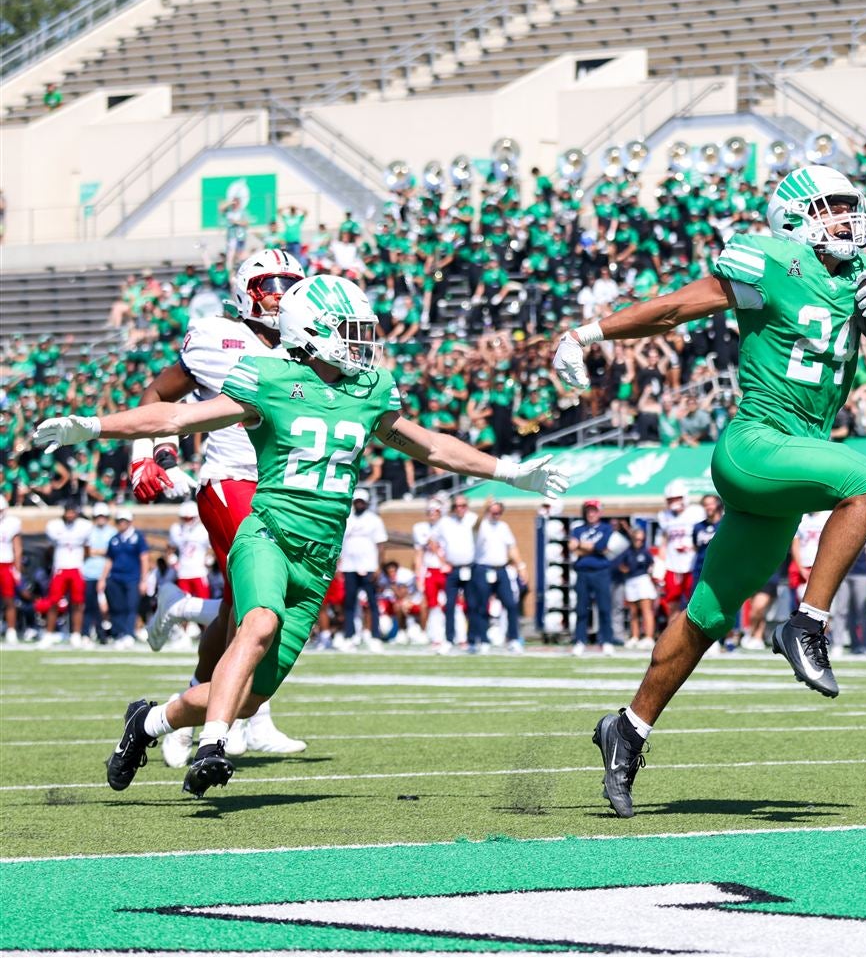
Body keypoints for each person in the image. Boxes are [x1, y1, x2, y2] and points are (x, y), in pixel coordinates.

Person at [34, 274, 568, 798]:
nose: (363, 343)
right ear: (312, 331)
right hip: (266, 533)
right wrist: (94, 425)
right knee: (258, 623)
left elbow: (430, 446)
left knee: (247, 697)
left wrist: (509, 472)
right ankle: (212, 746)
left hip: (317, 559)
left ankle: (147, 722)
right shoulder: (268, 380)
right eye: (351, 331)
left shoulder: (371, 389)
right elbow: (177, 416)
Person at [553, 162, 866, 817]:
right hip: (755, 443)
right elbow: (679, 305)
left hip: (791, 466)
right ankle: (807, 625)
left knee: (707, 613)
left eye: (852, 205)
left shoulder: (862, 279)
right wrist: (589, 333)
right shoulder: (770, 261)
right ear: (795, 216)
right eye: (833, 206)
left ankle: (627, 727)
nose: (850, 218)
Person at [137, 249, 308, 763]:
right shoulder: (217, 336)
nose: (280, 293)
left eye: (289, 283)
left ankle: (184, 701)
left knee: (244, 605)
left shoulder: (309, 340)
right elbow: (159, 393)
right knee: (261, 605)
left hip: (284, 487)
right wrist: (152, 452)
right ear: (246, 290)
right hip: (231, 480)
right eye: (270, 283)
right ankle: (246, 719)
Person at [469, 500, 525, 652]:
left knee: (511, 604)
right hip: (483, 569)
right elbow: (475, 527)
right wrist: (483, 509)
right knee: (482, 606)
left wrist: (521, 566)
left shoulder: (503, 527)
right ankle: (483, 640)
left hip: (501, 570)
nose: (496, 515)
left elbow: (512, 547)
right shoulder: (482, 525)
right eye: (493, 512)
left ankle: (513, 638)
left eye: (498, 512)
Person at [339, 488, 389, 652]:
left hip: (369, 566)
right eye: (357, 501)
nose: (359, 504)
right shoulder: (347, 519)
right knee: (349, 603)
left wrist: (378, 567)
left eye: (362, 501)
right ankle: (350, 635)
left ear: (366, 503)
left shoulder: (374, 520)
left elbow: (381, 545)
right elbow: (340, 543)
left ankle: (375, 636)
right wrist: (339, 564)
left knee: (373, 603)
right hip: (349, 566)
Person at [37, 500, 91, 648]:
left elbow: (87, 550)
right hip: (60, 567)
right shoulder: (54, 526)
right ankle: (48, 634)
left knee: (78, 603)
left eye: (73, 511)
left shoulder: (84, 526)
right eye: (68, 511)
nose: (70, 514)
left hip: (76, 567)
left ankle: (76, 634)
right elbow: (50, 549)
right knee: (53, 602)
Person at [431, 494, 478, 652]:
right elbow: (433, 541)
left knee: (471, 604)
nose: (461, 508)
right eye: (458, 506)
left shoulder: (472, 518)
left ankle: (471, 640)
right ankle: (449, 639)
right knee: (450, 605)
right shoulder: (445, 522)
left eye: (463, 505)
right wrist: (442, 561)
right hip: (452, 568)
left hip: (470, 568)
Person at [569, 500, 616, 656]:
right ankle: (580, 641)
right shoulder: (577, 529)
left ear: (599, 512)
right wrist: (590, 548)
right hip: (582, 572)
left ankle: (607, 641)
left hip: (601, 572)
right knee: (581, 609)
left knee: (604, 608)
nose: (591, 514)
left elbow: (602, 547)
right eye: (588, 511)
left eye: (594, 510)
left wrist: (583, 546)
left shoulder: (606, 528)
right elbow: (572, 548)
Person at [655, 481, 705, 622]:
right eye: (671, 499)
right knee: (672, 603)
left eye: (677, 498)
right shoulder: (664, 516)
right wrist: (659, 566)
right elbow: (663, 542)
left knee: (695, 601)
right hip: (673, 564)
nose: (674, 502)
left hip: (692, 563)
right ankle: (673, 637)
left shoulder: (696, 512)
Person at [101, 509, 149, 649]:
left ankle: (129, 633)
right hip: (115, 577)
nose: (121, 524)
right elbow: (109, 560)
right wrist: (103, 578)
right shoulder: (114, 539)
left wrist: (144, 580)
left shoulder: (137, 537)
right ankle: (119, 633)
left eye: (124, 521)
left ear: (129, 522)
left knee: (131, 607)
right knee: (117, 607)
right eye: (119, 521)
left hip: (132, 578)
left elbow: (144, 558)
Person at [410, 496, 447, 645]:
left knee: (450, 602)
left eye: (436, 511)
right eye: (429, 511)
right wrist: (419, 575)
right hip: (430, 569)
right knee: (430, 603)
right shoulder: (420, 528)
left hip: (445, 569)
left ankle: (452, 633)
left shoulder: (447, 526)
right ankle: (431, 633)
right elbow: (418, 554)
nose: (432, 513)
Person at [616, 527, 656, 649]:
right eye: (636, 538)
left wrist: (651, 575)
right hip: (630, 581)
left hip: (642, 580)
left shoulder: (645, 552)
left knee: (646, 610)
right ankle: (635, 636)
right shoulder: (628, 552)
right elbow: (619, 565)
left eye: (640, 539)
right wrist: (624, 569)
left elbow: (652, 564)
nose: (638, 541)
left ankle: (649, 637)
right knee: (633, 612)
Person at [82, 503, 116, 645]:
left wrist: (96, 551)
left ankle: (108, 633)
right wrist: (101, 551)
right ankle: (87, 633)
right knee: (90, 606)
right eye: (98, 516)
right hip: (89, 573)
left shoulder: (112, 532)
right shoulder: (88, 530)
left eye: (103, 516)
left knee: (109, 607)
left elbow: (111, 553)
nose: (100, 519)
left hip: (107, 574)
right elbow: (86, 551)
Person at [168, 500, 212, 602]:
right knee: (182, 606)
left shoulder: (203, 530)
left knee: (203, 603)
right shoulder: (176, 529)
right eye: (184, 518)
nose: (186, 521)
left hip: (199, 572)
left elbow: (213, 548)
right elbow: (170, 546)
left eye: (189, 518)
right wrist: (171, 558)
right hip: (182, 572)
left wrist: (209, 559)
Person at [0, 497, 22, 645]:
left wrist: (18, 569)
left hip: (6, 563)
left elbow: (17, 548)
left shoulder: (11, 523)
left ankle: (11, 630)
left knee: (9, 599)